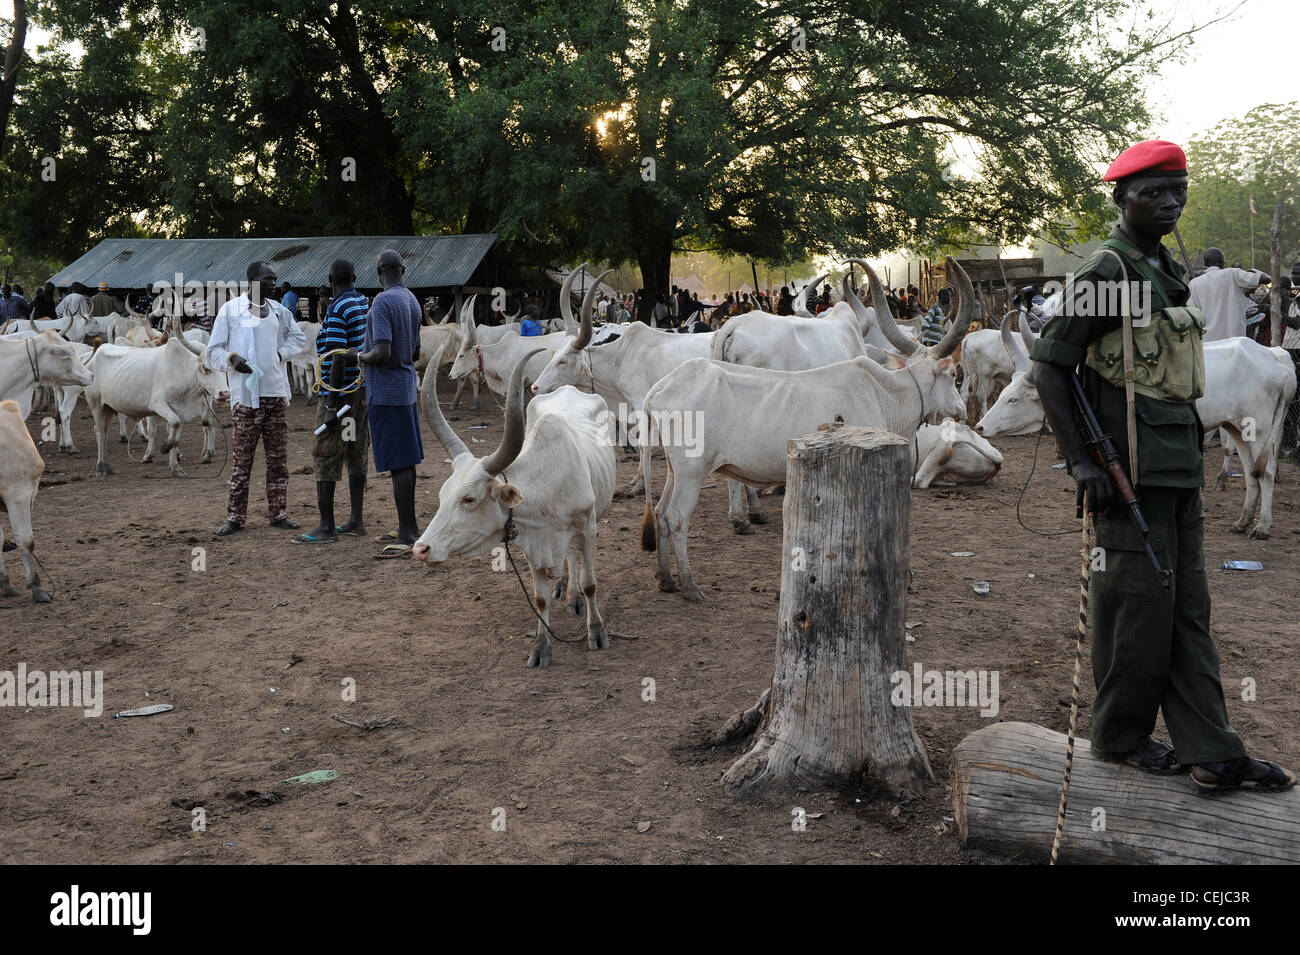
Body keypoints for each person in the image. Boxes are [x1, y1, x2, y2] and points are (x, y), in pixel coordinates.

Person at [1030, 139, 1295, 794]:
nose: (1170, 201)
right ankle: (1118, 736)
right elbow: (1050, 367)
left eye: (1178, 189)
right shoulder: (1105, 274)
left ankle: (1212, 750)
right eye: (1154, 191)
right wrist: (1082, 463)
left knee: (1187, 611)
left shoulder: (1166, 269)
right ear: (1123, 197)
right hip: (1128, 473)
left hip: (1178, 466)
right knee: (1137, 610)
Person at [207, 261, 307, 536]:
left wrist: (279, 354)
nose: (273, 284)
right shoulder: (231, 310)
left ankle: (279, 513)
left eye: (274, 279)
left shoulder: (279, 311)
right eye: (267, 279)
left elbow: (297, 339)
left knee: (278, 461)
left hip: (275, 395)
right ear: (251, 280)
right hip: (246, 399)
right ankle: (235, 517)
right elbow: (212, 351)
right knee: (242, 462)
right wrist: (232, 359)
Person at [349, 249, 423, 558]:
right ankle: (410, 527)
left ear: (379, 273)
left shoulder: (381, 302)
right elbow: (415, 353)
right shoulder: (412, 300)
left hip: (386, 393)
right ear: (402, 270)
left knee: (397, 463)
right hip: (406, 389)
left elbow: (381, 353)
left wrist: (357, 356)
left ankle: (406, 534)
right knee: (406, 461)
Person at [290, 259, 370, 545]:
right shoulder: (362, 302)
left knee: (325, 453)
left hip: (339, 394)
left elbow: (337, 356)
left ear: (330, 279)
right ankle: (356, 520)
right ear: (355, 277)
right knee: (355, 450)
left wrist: (331, 406)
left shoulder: (337, 308)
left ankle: (326, 527)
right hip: (359, 393)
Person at [1188, 247, 1269, 342]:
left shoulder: (1194, 284)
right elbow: (1266, 279)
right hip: (1234, 342)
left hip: (1207, 343)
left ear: (1205, 263)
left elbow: (1192, 316)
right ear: (1223, 263)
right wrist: (1252, 270)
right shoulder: (1233, 274)